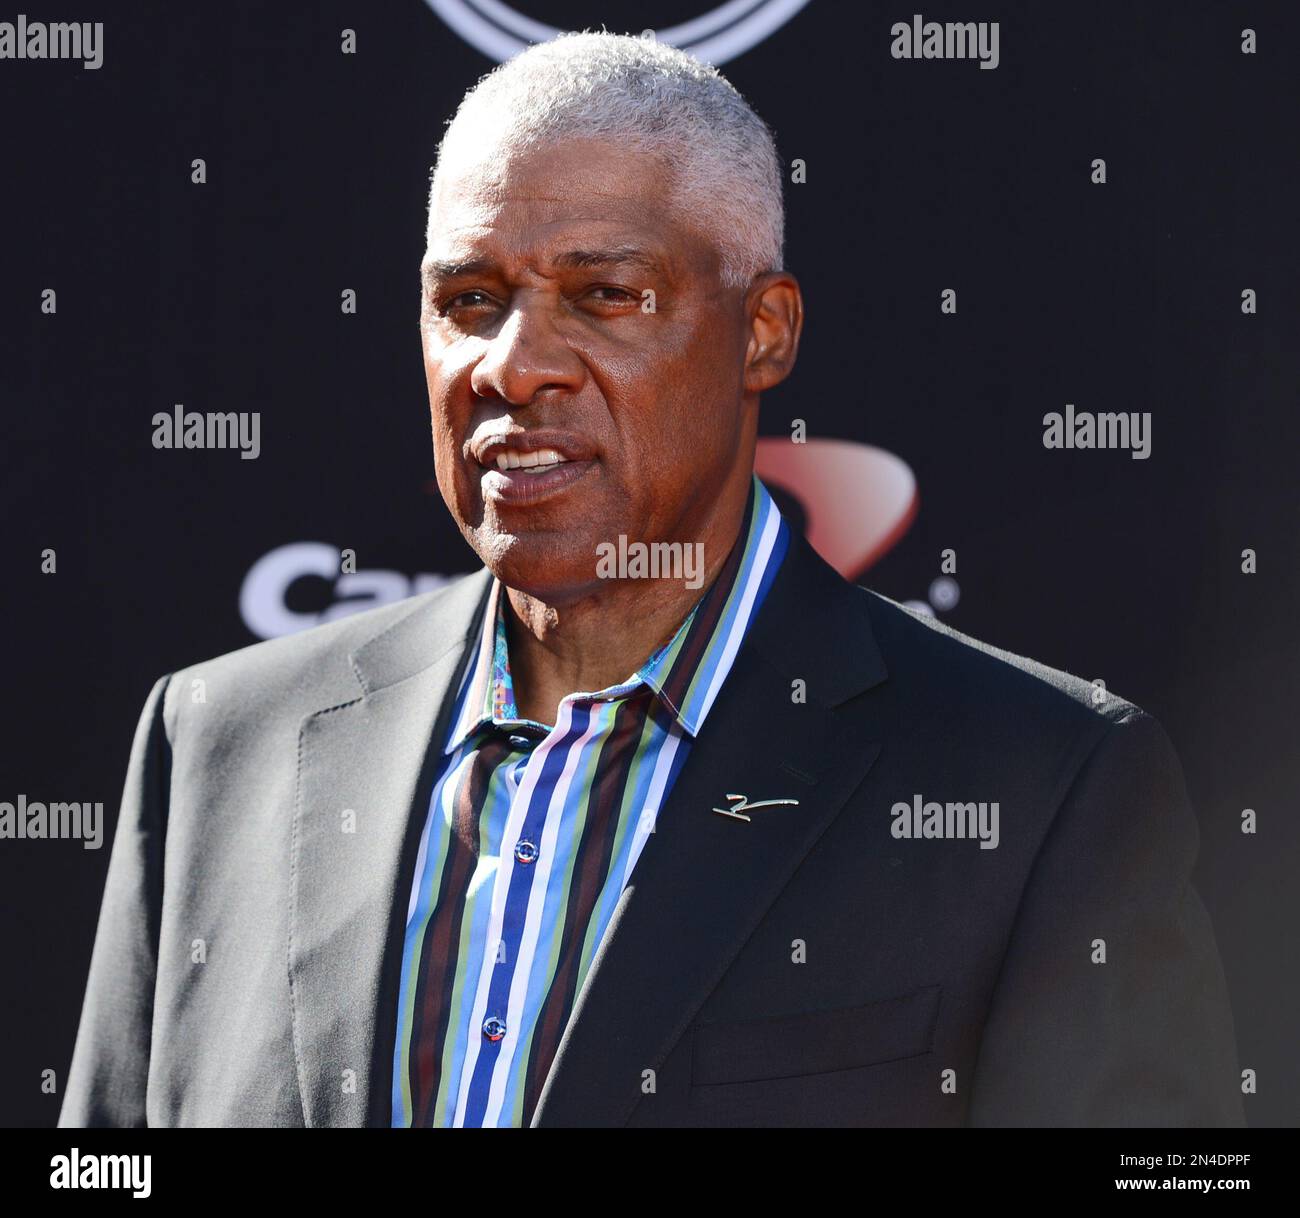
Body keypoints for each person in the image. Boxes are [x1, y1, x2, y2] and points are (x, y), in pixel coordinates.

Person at [60, 31, 1243, 1128]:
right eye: (469, 301)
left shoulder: (1040, 789)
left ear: (764, 332)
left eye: (603, 295)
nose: (512, 368)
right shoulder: (220, 742)